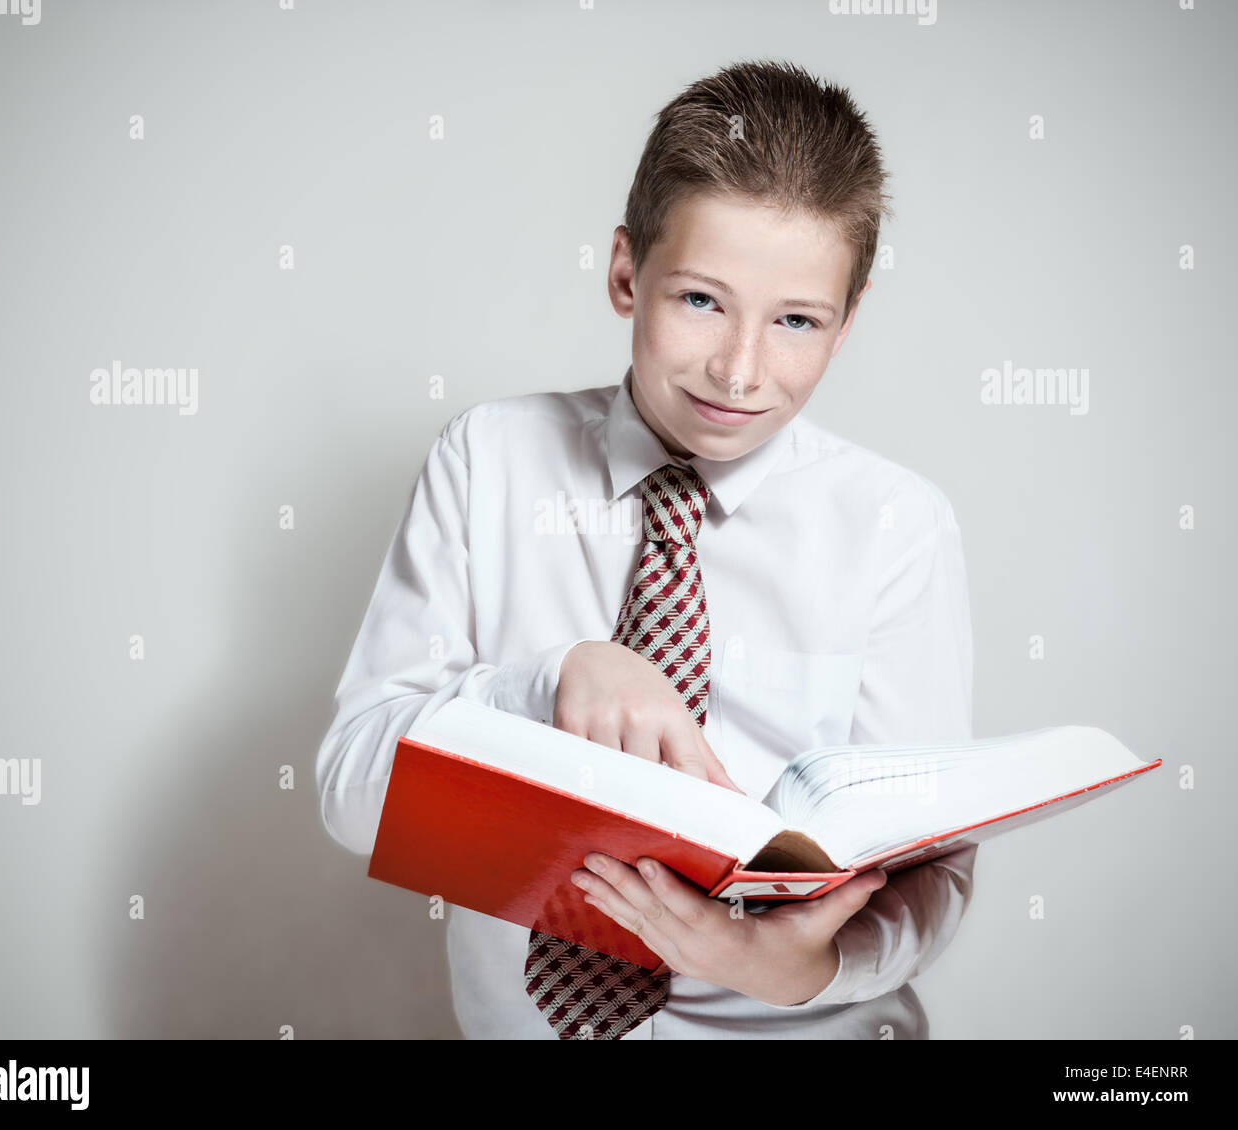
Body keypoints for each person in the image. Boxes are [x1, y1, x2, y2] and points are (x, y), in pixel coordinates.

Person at [315, 58, 975, 1039]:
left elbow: (929, 863)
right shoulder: (486, 460)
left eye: (795, 321)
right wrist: (543, 686)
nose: (738, 369)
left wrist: (798, 963)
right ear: (626, 271)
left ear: (848, 321)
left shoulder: (895, 525)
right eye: (701, 300)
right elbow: (350, 796)